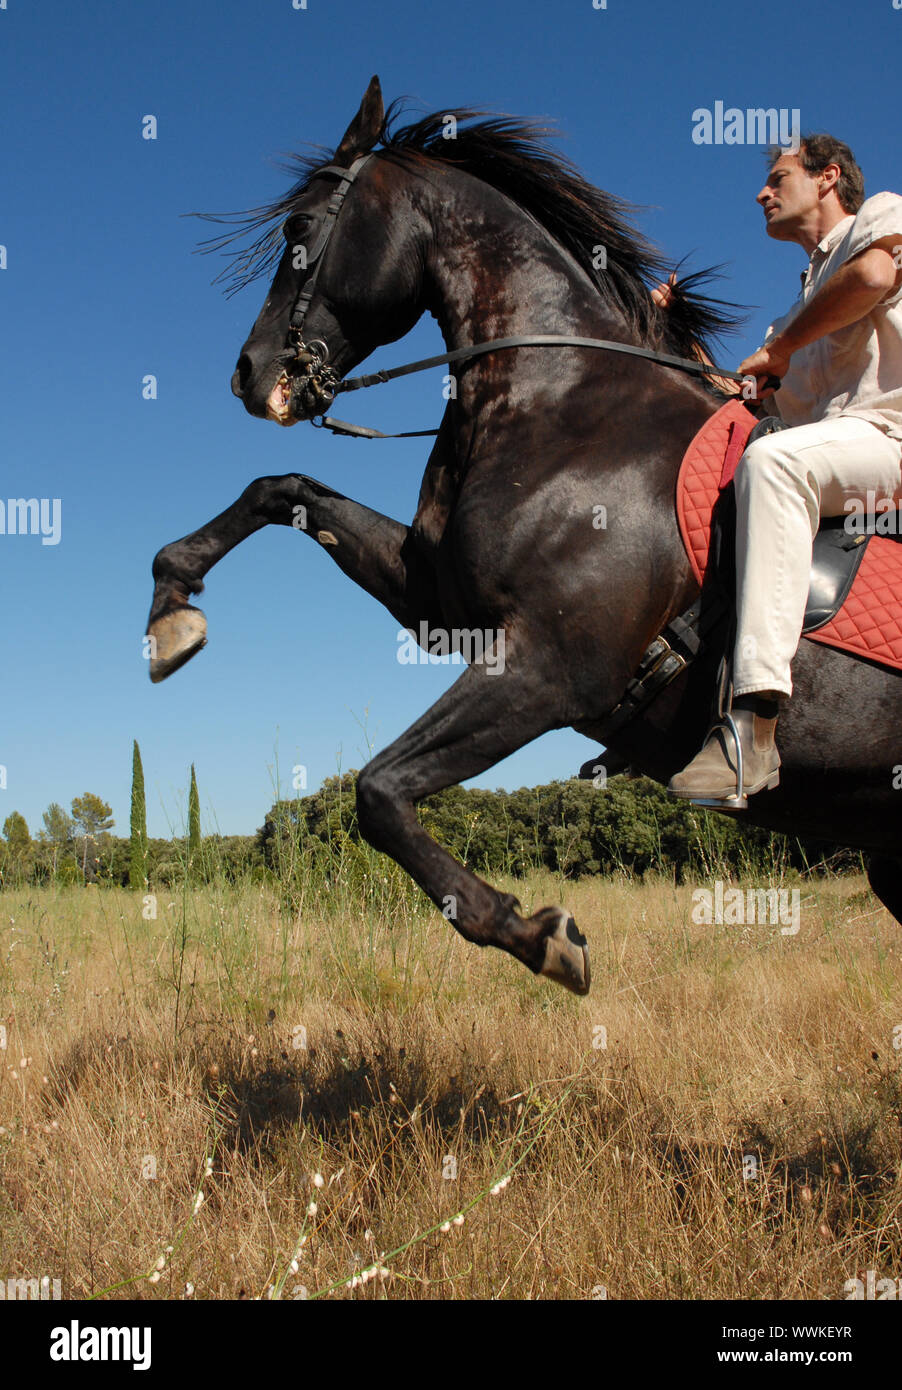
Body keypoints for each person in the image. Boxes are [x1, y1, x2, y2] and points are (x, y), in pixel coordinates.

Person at [665, 134, 902, 806]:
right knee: (745, 459)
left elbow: (875, 279)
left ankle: (753, 727)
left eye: (777, 178)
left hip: (892, 439)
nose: (761, 193)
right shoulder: (794, 311)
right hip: (840, 451)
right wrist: (674, 337)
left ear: (829, 177)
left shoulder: (882, 217)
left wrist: (781, 347)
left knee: (774, 462)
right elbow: (745, 394)